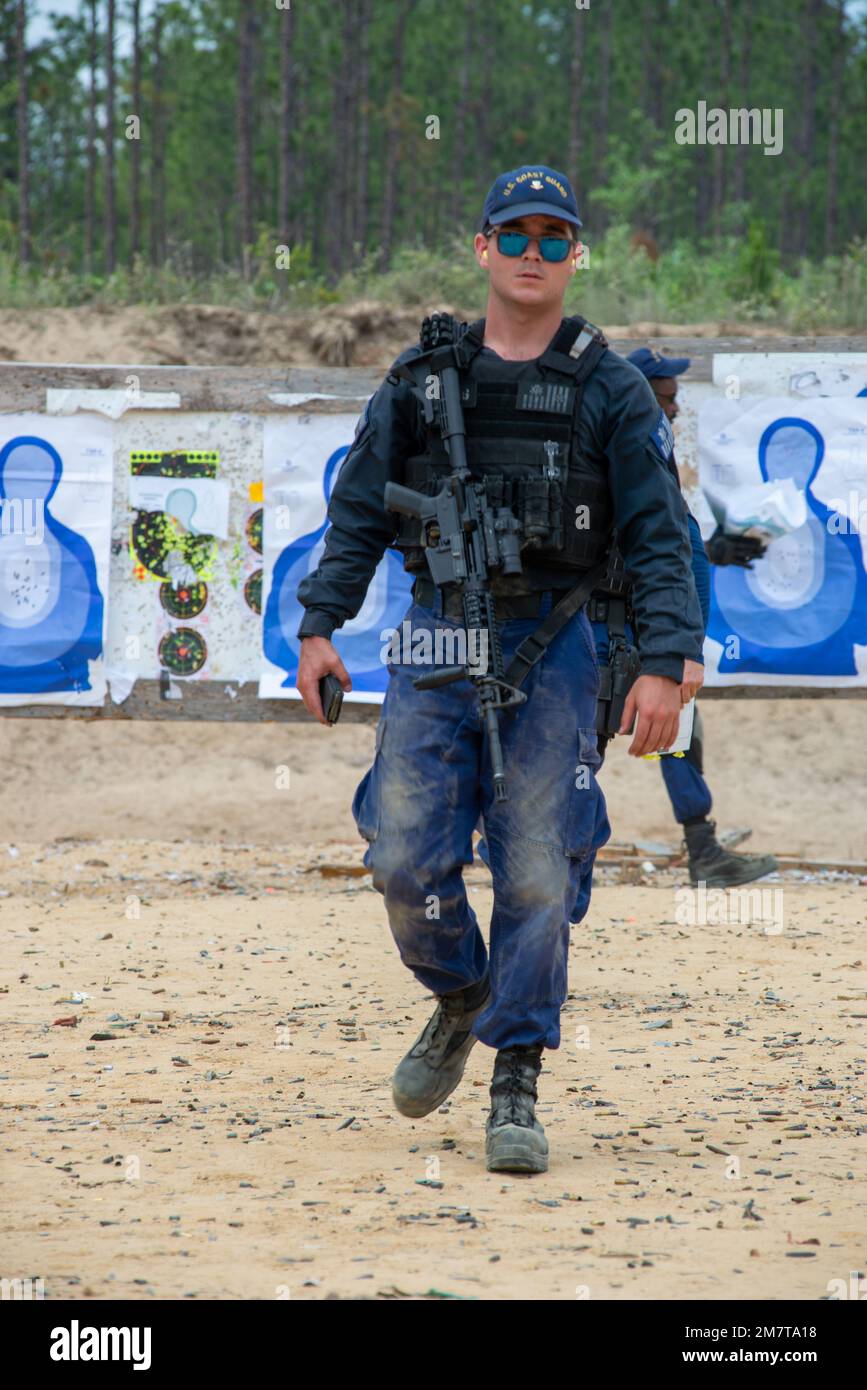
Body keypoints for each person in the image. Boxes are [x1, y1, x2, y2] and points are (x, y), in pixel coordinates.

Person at [294, 164, 705, 1175]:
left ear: (576, 254)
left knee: (536, 860)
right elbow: (358, 510)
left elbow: (659, 536)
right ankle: (462, 993)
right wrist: (318, 624)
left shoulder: (606, 385)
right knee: (400, 850)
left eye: (553, 238)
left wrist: (664, 658)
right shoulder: (420, 379)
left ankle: (516, 1070)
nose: (532, 254)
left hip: (555, 638)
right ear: (480, 249)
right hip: (438, 631)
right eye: (513, 237)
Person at [588, 347, 777, 887]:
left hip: (642, 624)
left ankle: (703, 848)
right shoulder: (622, 449)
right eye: (666, 398)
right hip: (619, 628)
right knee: (582, 745)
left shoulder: (645, 450)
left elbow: (667, 539)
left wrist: (713, 550)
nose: (673, 410)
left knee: (676, 733)